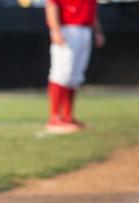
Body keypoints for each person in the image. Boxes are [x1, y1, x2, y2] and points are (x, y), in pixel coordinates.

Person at [44, 0, 105, 133]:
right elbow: (51, 5)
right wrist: (55, 30)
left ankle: (67, 117)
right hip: (67, 29)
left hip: (85, 29)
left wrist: (98, 31)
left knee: (75, 75)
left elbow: (92, 11)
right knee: (61, 73)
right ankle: (54, 118)